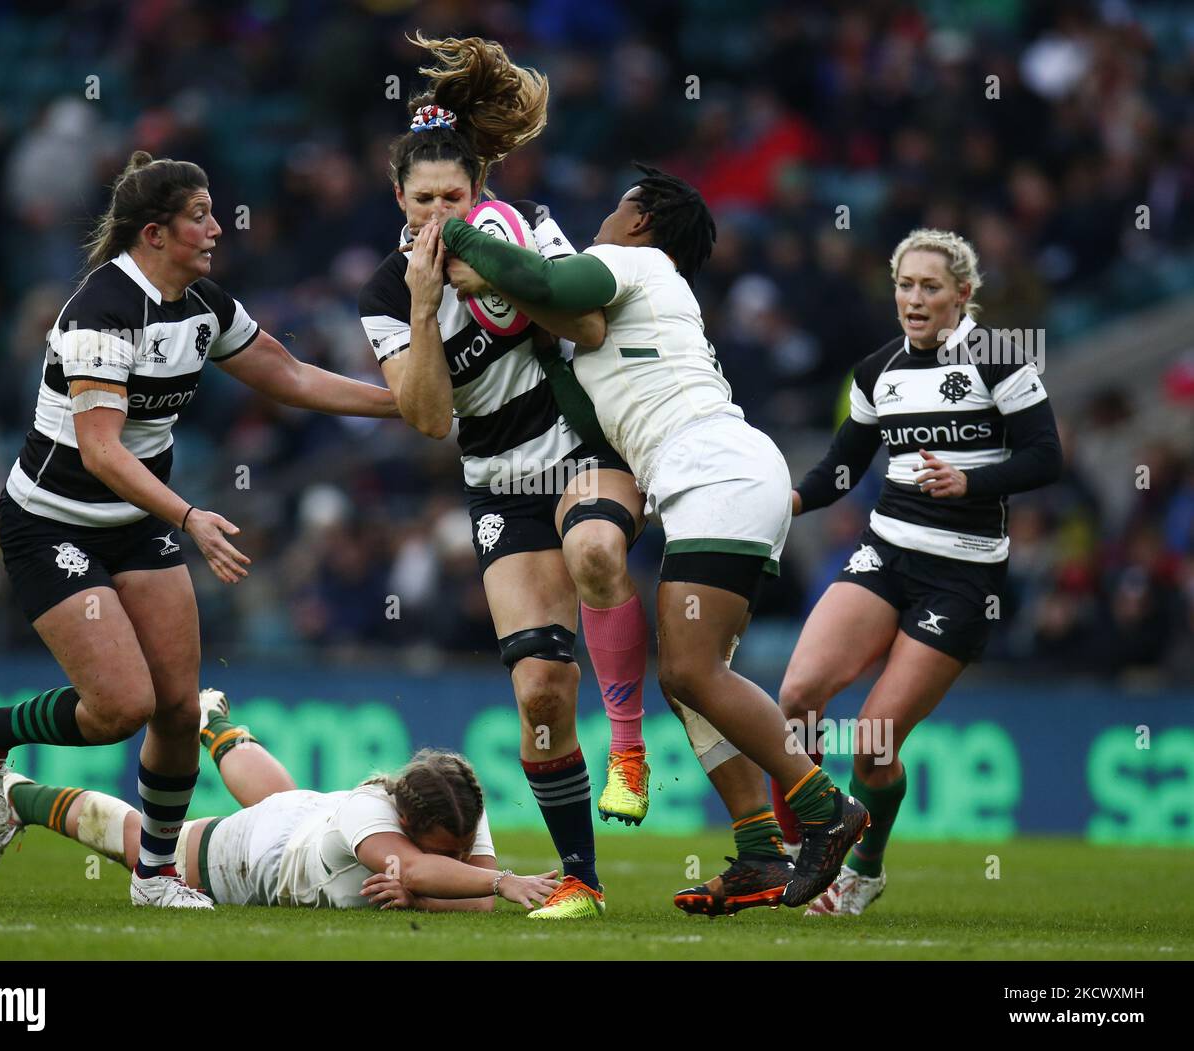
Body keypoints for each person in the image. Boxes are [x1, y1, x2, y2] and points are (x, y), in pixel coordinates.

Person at [0, 151, 400, 910]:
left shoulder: (201, 304)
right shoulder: (102, 311)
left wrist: (403, 405)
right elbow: (98, 450)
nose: (218, 227)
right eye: (201, 215)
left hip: (138, 521)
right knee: (119, 706)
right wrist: (189, 515)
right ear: (155, 232)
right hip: (52, 521)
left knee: (178, 707)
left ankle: (154, 876)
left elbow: (287, 373)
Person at [438, 164, 870, 912]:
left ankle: (828, 808)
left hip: (715, 477)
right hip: (726, 479)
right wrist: (541, 349)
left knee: (694, 673)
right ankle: (762, 852)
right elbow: (587, 405)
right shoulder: (646, 299)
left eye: (613, 207)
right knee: (689, 674)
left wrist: (448, 225)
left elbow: (537, 277)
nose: (602, 221)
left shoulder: (630, 262)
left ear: (640, 220)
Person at [358, 33, 653, 920]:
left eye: (454, 195)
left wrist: (497, 274)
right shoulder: (384, 290)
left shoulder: (522, 231)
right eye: (423, 200)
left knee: (598, 547)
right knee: (537, 692)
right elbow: (428, 416)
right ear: (399, 200)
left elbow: (589, 321)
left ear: (476, 192)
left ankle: (631, 747)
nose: (440, 212)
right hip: (499, 479)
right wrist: (422, 300)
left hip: (585, 448)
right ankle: (582, 881)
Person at [773, 229, 1062, 915]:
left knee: (873, 744)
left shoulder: (999, 358)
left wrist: (971, 480)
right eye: (905, 285)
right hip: (886, 553)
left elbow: (1046, 456)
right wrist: (786, 500)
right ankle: (800, 850)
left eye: (930, 287)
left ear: (962, 294)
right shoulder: (877, 371)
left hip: (961, 575)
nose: (914, 298)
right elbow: (843, 465)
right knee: (797, 695)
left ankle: (864, 870)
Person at [0, 689, 560, 912]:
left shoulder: (458, 810)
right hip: (249, 856)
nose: (459, 856)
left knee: (287, 795)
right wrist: (500, 880)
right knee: (138, 843)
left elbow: (459, 890)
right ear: (405, 819)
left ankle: (210, 721)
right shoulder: (370, 817)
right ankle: (19, 796)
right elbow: (446, 876)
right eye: (443, 851)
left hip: (304, 821)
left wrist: (427, 894)